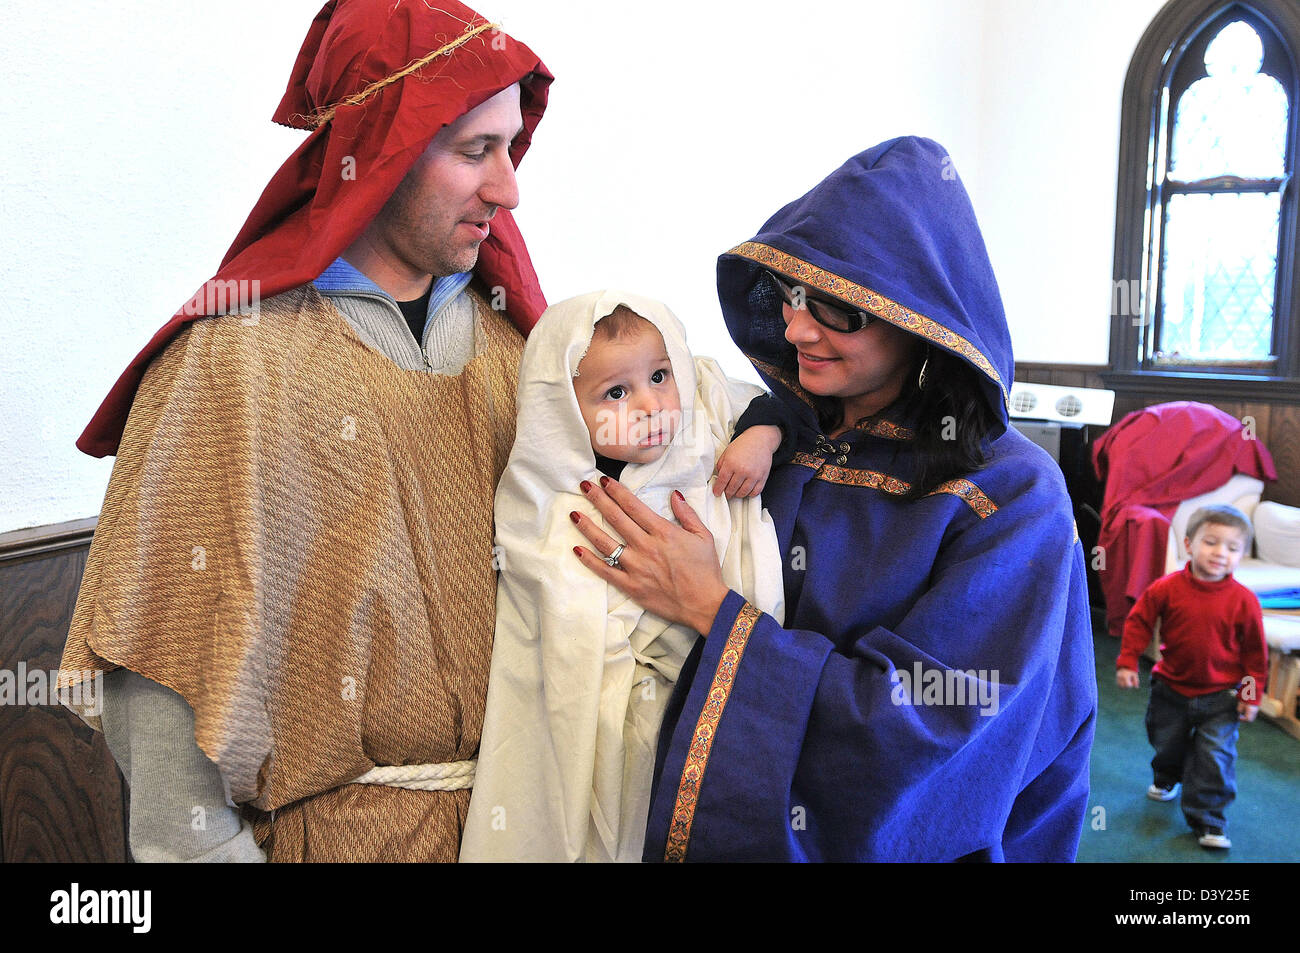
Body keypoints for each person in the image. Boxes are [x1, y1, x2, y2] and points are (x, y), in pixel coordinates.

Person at [56, 0, 552, 862]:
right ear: (383, 148)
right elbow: (160, 687)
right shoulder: (230, 365)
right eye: (476, 150)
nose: (508, 188)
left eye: (510, 147)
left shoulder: (525, 350)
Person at [570, 137, 1098, 862]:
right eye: (790, 298)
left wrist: (707, 607)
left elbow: (928, 730)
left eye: (834, 309)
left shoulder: (1013, 496)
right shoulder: (770, 434)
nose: (795, 329)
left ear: (921, 315)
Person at [460, 292, 786, 862]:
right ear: (563, 410)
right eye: (616, 393)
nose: (651, 404)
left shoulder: (702, 422)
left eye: (660, 375)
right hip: (621, 704)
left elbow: (769, 406)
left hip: (710, 678)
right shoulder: (550, 498)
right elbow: (545, 595)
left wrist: (762, 439)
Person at [1115, 504, 1268, 850]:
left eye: (1232, 548)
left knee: (1215, 757)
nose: (1220, 553)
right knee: (1166, 743)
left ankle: (1209, 819)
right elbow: (1139, 621)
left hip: (1222, 697)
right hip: (1170, 689)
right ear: (1189, 544)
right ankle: (1167, 776)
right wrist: (1127, 662)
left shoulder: (1245, 601)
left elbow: (1255, 655)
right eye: (1211, 542)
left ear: (1242, 554)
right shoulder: (1165, 588)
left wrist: (1251, 694)